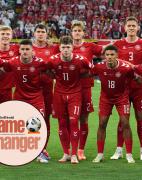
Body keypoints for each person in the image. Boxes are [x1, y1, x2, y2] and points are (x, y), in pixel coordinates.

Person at [112, 16, 142, 160]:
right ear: (124, 28)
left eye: (133, 26)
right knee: (123, 120)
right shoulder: (117, 44)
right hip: (122, 88)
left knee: (140, 119)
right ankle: (119, 150)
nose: (131, 28)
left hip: (139, 88)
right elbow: (110, 60)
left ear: (138, 28)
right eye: (129, 25)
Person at [0, 39, 48, 162]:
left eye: (27, 49)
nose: (25, 52)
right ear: (19, 51)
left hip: (36, 98)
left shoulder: (41, 63)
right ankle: (18, 152)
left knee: (38, 125)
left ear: (33, 51)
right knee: (17, 127)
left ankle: (40, 153)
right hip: (19, 98)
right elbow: (3, 70)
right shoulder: (13, 62)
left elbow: (51, 71)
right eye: (23, 49)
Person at [49, 36, 91, 164]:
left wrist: (81, 76)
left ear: (72, 48)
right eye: (63, 47)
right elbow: (46, 71)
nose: (66, 50)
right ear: (59, 48)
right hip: (59, 94)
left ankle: (74, 154)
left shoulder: (81, 60)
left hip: (75, 94)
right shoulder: (53, 60)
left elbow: (91, 70)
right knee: (62, 123)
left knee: (73, 122)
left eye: (68, 47)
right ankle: (66, 153)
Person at [92, 45, 135, 163]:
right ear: (104, 56)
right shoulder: (99, 67)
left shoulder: (126, 68)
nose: (109, 57)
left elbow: (135, 78)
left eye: (112, 55)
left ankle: (129, 154)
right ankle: (100, 154)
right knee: (102, 123)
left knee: (125, 123)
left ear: (117, 55)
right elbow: (88, 74)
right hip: (105, 98)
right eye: (107, 55)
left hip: (122, 98)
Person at [71, 20, 103, 160]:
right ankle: (70, 149)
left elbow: (107, 53)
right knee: (71, 119)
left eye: (79, 30)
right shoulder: (65, 47)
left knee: (83, 118)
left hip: (85, 87)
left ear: (83, 32)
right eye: (75, 30)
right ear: (71, 33)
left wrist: (97, 70)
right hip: (69, 88)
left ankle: (81, 150)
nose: (77, 33)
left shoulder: (90, 46)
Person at [32, 24, 60, 160]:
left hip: (48, 90)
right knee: (29, 118)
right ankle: (31, 147)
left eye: (43, 32)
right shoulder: (27, 49)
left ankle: (43, 149)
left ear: (46, 34)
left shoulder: (53, 48)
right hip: (30, 90)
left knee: (46, 118)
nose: (41, 34)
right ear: (34, 33)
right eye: (38, 32)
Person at [0, 25, 19, 103]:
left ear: (11, 36)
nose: (5, 36)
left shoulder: (18, 49)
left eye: (8, 34)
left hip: (9, 89)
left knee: (6, 114)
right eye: (2, 34)